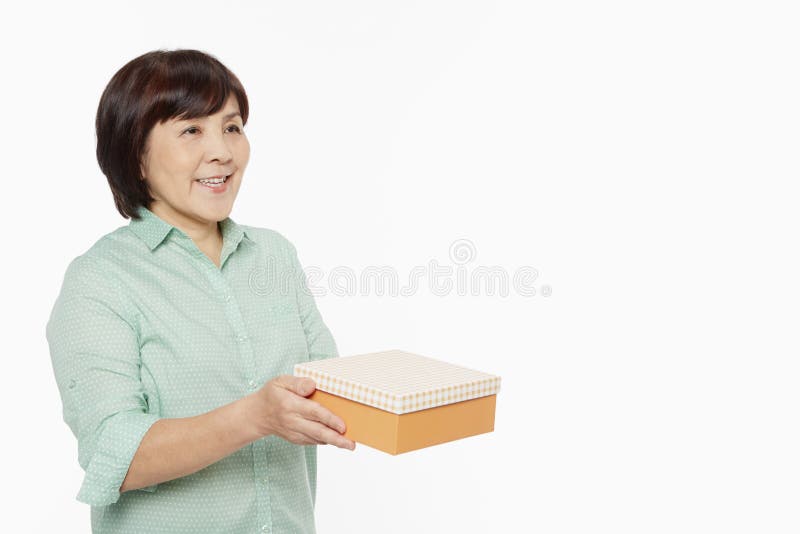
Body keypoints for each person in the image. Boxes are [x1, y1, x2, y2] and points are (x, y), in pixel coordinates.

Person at [45, 48, 355, 534]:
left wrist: (410, 390)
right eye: (191, 130)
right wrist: (254, 417)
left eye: (231, 127)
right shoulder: (101, 279)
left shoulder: (274, 256)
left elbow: (330, 391)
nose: (223, 152)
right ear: (136, 156)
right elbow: (113, 453)